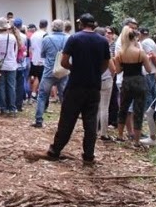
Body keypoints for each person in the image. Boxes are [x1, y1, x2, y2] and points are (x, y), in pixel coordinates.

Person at [43, 14, 110, 165]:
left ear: (81, 24)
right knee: (91, 122)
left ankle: (55, 150)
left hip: (75, 86)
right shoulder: (103, 41)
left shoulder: (74, 38)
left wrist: (76, 68)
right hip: (94, 86)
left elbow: (64, 61)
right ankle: (88, 156)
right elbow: (106, 63)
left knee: (67, 120)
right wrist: (95, 72)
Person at [114, 25, 153, 144]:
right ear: (134, 38)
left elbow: (118, 71)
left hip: (126, 81)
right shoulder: (140, 53)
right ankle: (136, 140)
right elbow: (149, 69)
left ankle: (120, 135)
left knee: (123, 108)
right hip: (139, 81)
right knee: (138, 110)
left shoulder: (120, 53)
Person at [32, 20, 69, 127]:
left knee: (42, 95)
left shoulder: (46, 38)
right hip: (63, 70)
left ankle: (39, 120)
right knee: (64, 97)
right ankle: (66, 122)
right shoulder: (68, 38)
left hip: (49, 71)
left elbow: (43, 54)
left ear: (52, 27)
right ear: (63, 27)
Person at [0, 17, 18, 116]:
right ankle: (12, 108)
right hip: (11, 64)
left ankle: (3, 108)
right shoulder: (12, 37)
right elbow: (15, 50)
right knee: (11, 86)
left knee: (1, 86)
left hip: (0, 65)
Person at [95, 26, 116, 141]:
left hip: (95, 79)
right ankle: (103, 133)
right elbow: (112, 68)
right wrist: (112, 76)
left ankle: (95, 130)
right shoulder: (106, 49)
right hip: (106, 79)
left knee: (97, 107)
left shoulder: (91, 48)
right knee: (104, 107)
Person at [29, 20, 48, 101]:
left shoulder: (33, 35)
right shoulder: (45, 35)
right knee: (43, 80)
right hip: (43, 60)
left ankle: (33, 93)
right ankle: (42, 97)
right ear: (46, 26)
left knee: (35, 77)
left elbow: (31, 48)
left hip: (34, 59)